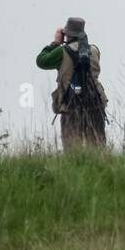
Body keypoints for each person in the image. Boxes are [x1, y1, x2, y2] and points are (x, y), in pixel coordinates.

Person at [36, 16, 107, 150]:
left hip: (71, 104)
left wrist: (56, 42)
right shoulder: (95, 50)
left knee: (72, 148)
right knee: (98, 147)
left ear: (67, 34)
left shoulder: (61, 52)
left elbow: (41, 61)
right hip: (95, 102)